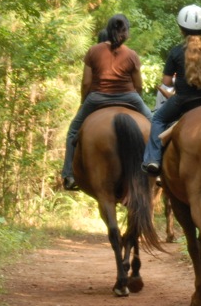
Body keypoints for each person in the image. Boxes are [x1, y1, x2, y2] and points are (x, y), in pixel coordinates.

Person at [61, 14, 152, 191]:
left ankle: (69, 175)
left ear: (108, 30)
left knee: (73, 131)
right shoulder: (131, 55)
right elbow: (138, 84)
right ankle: (159, 169)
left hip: (98, 97)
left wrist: (83, 102)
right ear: (126, 33)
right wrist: (136, 98)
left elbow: (86, 82)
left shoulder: (93, 51)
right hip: (129, 96)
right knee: (155, 126)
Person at [141, 5, 201, 175]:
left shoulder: (176, 52)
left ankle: (153, 160)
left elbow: (167, 81)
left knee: (158, 120)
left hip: (182, 99)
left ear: (181, 30)